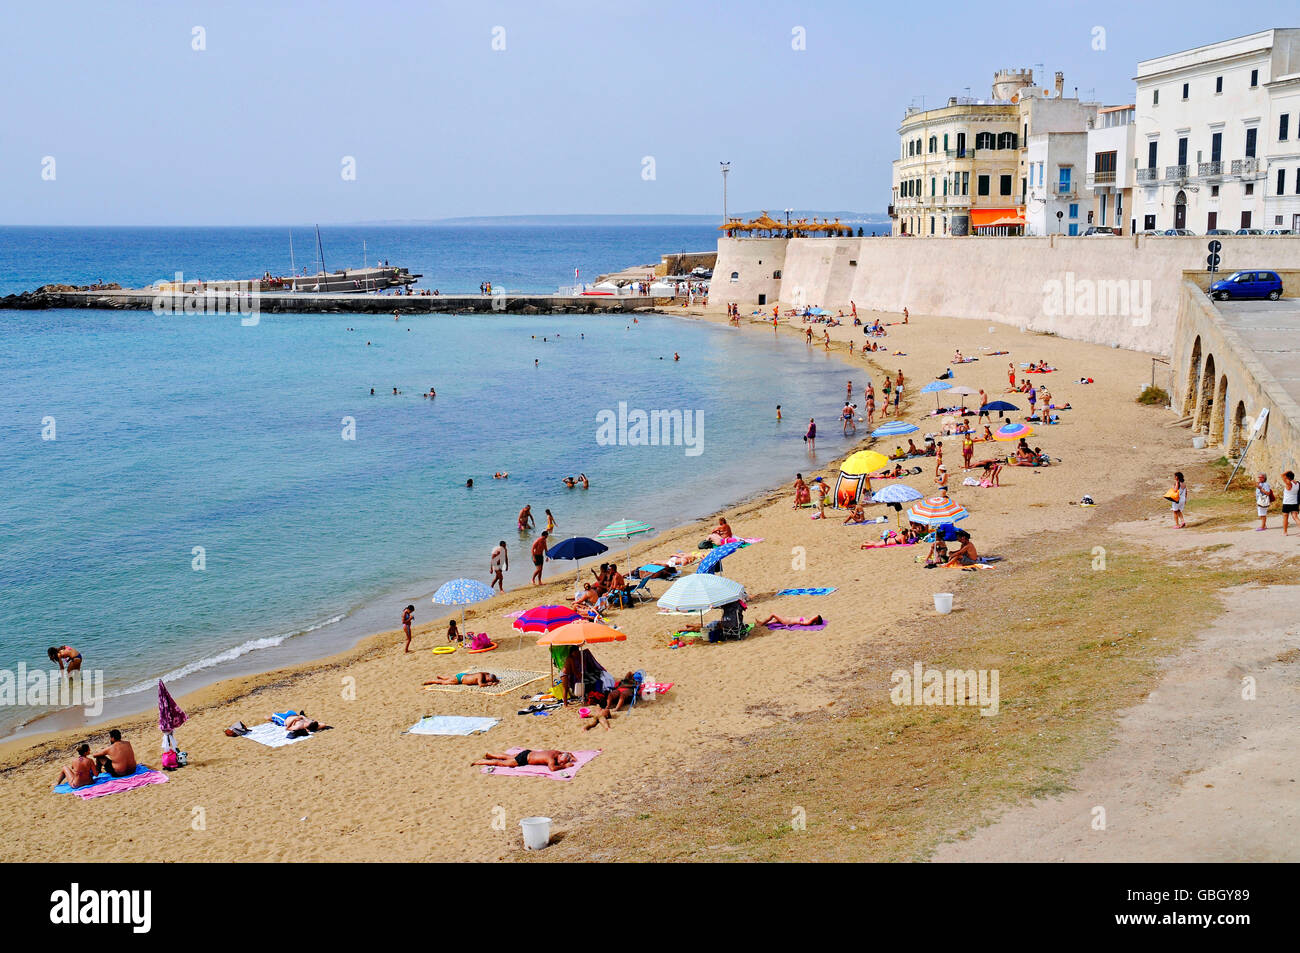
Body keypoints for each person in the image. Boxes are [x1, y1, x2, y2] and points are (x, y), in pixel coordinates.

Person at [473, 750, 576, 772]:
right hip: (524, 759)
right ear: (560, 756)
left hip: (527, 752)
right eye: (561, 761)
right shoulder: (551, 759)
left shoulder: (557, 752)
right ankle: (479, 762)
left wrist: (571, 757)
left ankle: (490, 754)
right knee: (501, 763)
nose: (561, 763)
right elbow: (552, 768)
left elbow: (568, 753)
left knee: (507, 756)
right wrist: (565, 767)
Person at [424, 672, 500, 686]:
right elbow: (480, 685)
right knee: (444, 683)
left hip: (464, 676)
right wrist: (488, 684)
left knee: (450, 678)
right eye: (488, 680)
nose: (487, 681)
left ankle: (441, 676)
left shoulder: (484, 674)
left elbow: (495, 679)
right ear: (487, 677)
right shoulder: (480, 676)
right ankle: (432, 681)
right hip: (460, 679)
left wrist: (495, 681)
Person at [1282, 471, 1299, 535]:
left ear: (1287, 477)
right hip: (1295, 502)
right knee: (1295, 517)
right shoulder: (1297, 483)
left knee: (1285, 518)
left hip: (1287, 503)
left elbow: (1282, 475)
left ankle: (1285, 532)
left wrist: (1289, 471)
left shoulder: (1288, 483)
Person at [758, 613, 824, 627]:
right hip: (787, 619)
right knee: (775, 620)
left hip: (787, 621)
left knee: (773, 614)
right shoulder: (808, 620)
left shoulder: (808, 622)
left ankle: (762, 623)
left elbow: (803, 623)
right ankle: (764, 623)